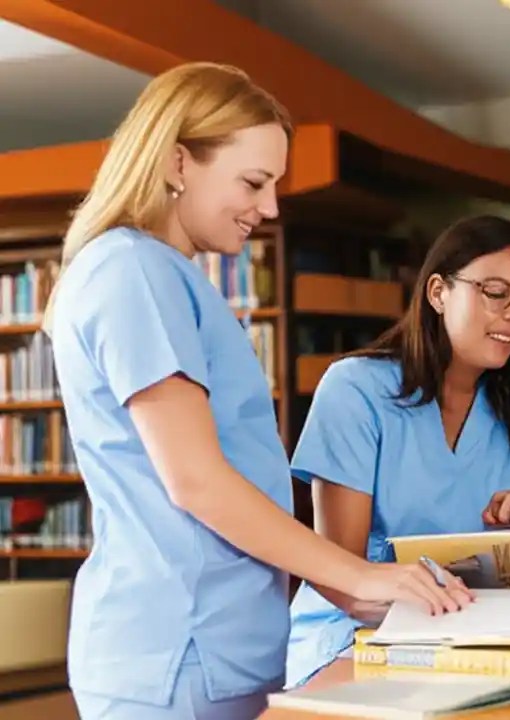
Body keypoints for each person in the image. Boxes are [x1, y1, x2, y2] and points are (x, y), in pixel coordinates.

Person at [46, 62, 464, 720]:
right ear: (178, 161)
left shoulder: (164, 275)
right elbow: (197, 481)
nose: (268, 208)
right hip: (180, 651)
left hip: (210, 646)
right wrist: (351, 576)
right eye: (253, 182)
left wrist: (346, 586)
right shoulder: (135, 271)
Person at [284, 215, 510, 688]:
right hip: (359, 631)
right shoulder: (355, 390)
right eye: (495, 292)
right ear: (438, 292)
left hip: (477, 630)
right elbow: (341, 573)